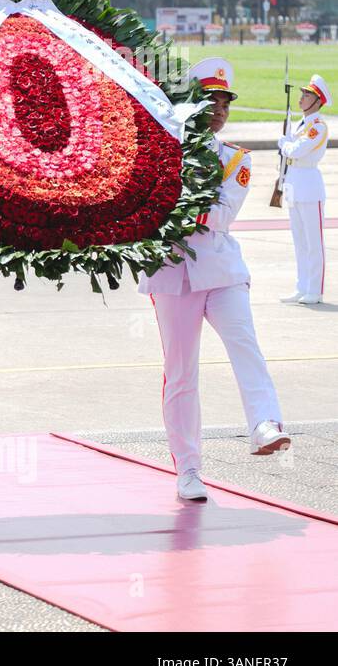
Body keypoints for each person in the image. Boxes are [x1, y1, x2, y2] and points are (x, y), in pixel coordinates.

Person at [139, 57, 291, 501]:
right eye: (211, 100)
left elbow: (219, 215)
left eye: (225, 101)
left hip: (221, 272)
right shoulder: (159, 151)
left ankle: (265, 424)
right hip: (172, 276)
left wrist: (170, 202)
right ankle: (188, 469)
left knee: (245, 344)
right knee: (181, 373)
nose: (220, 109)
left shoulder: (236, 160)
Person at [278, 74, 329, 305]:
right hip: (294, 184)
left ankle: (315, 290)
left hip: (309, 184)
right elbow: (292, 148)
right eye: (302, 93)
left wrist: (284, 144)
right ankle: (302, 286)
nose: (301, 98)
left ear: (318, 101)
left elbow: (297, 151)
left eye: (307, 94)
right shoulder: (301, 124)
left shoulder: (318, 127)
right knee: (299, 240)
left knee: (313, 242)